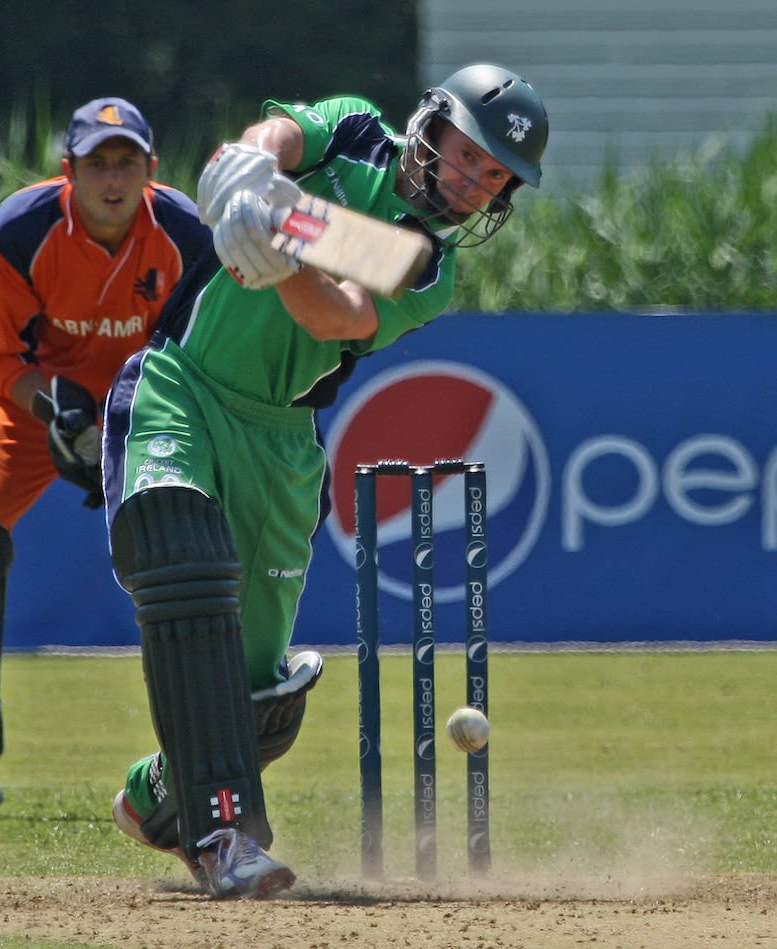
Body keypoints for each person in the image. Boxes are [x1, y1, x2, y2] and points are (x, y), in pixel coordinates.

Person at [103, 63, 549, 898]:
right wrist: (250, 168)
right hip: (182, 384)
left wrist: (278, 246)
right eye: (469, 154)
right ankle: (226, 836)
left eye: (495, 177)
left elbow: (335, 315)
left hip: (281, 445)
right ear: (432, 124)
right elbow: (279, 138)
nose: (473, 181)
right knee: (180, 553)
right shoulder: (351, 131)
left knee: (260, 701)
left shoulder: (424, 264)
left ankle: (156, 792)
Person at [0, 97, 213, 818]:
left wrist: (123, 415)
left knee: (195, 548)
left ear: (152, 170)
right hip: (30, 401)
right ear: (68, 170)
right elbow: (0, 358)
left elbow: (201, 352)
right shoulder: (18, 230)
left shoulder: (185, 233)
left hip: (149, 398)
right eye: (97, 164)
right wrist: (63, 409)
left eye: (127, 163)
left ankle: (208, 755)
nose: (112, 180)